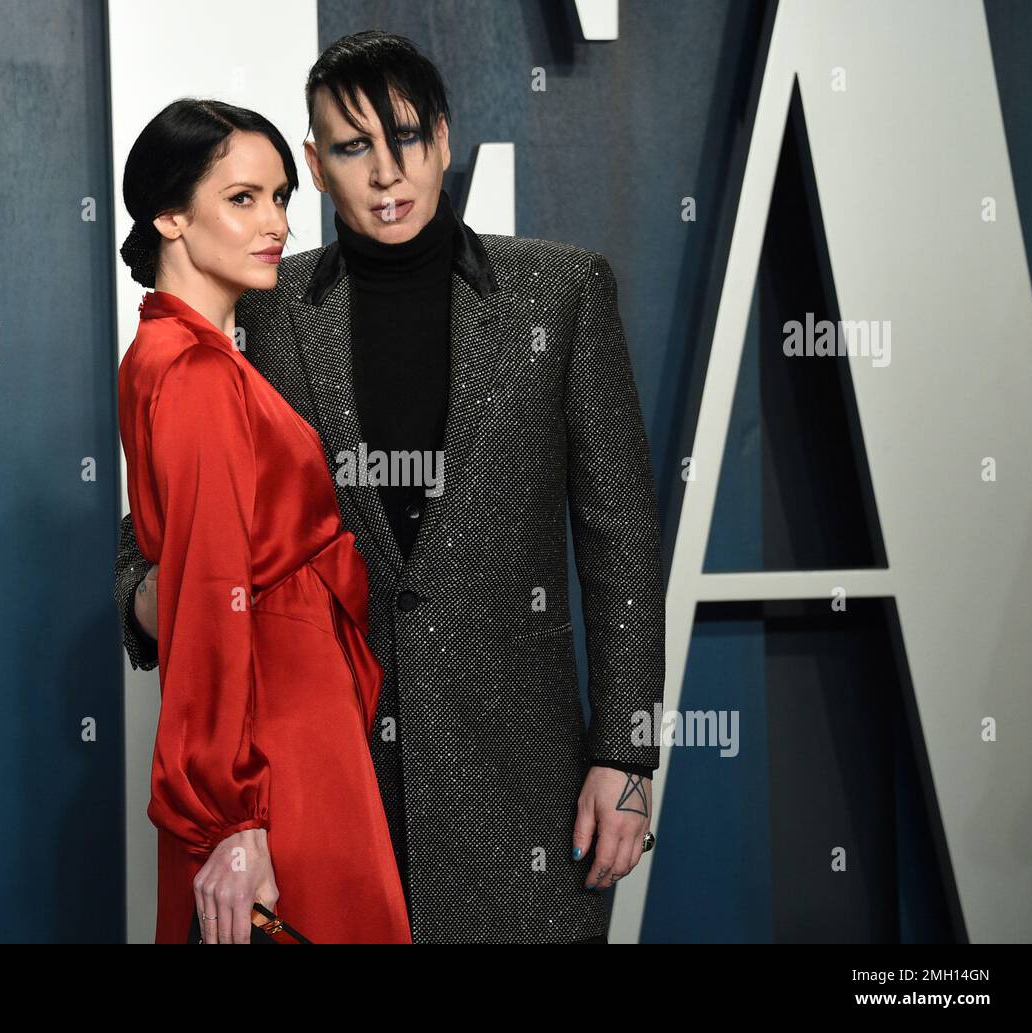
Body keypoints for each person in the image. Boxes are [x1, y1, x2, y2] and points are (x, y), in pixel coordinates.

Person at [115, 31, 665, 944]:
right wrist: (163, 598)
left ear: (445, 140)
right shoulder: (256, 303)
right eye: (352, 146)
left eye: (406, 137)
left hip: (521, 783)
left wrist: (628, 751)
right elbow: (161, 530)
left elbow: (623, 537)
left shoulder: (559, 293)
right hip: (323, 789)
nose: (387, 170)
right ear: (318, 170)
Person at [116, 98, 412, 944]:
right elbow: (210, 591)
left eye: (282, 196)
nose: (277, 222)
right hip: (276, 736)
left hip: (285, 715)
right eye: (243, 199)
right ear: (170, 214)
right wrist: (234, 817)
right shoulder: (198, 373)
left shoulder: (168, 354)